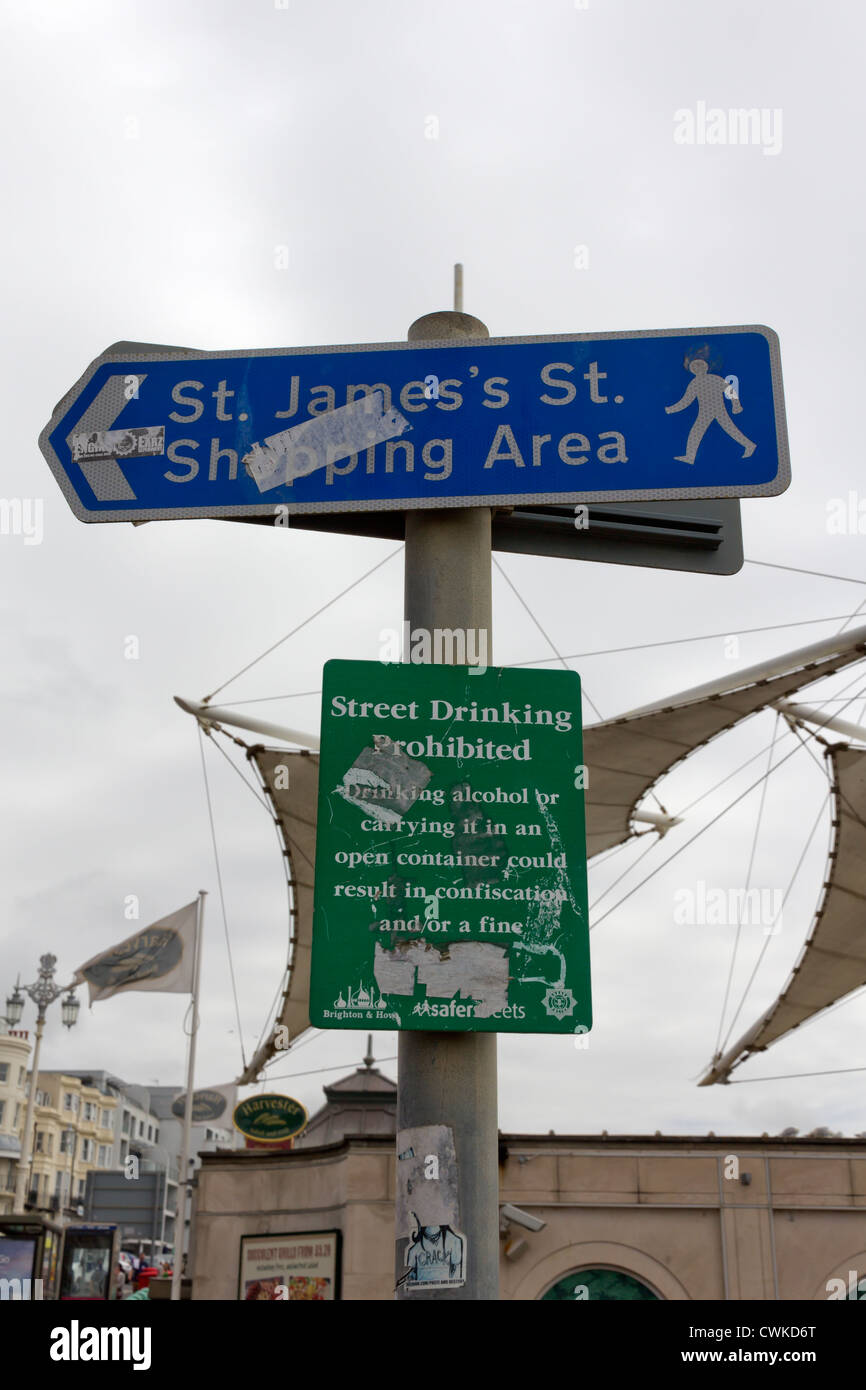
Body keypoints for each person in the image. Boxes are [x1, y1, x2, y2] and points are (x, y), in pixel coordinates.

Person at [665, 358, 755, 464]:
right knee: (697, 432)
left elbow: (730, 391)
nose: (698, 369)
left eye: (700, 367)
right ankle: (690, 457)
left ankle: (749, 445)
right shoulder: (695, 383)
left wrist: (736, 405)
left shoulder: (715, 379)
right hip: (705, 412)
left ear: (705, 367)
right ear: (693, 370)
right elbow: (686, 400)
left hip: (716, 410)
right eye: (695, 368)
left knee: (728, 430)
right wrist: (672, 409)